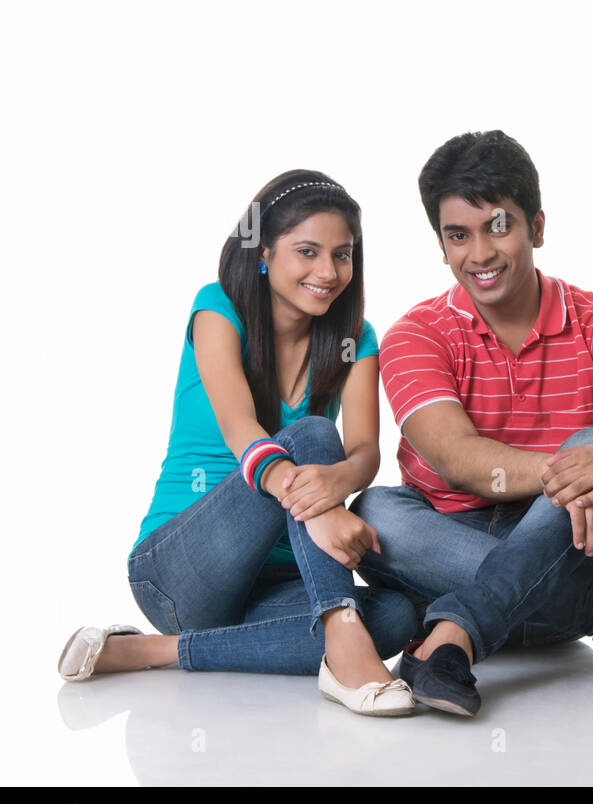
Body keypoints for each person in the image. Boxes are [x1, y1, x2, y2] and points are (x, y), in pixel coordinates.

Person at [58, 170, 418, 717]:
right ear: (264, 254)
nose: (328, 272)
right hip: (178, 571)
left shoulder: (354, 339)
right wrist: (316, 510)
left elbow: (365, 451)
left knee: (397, 615)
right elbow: (239, 427)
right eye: (307, 252)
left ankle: (156, 652)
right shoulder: (218, 309)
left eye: (342, 255)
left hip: (280, 580)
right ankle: (341, 639)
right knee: (314, 433)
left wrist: (331, 490)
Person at [352, 130, 593, 716]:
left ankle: (454, 634)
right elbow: (459, 461)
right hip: (464, 536)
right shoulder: (415, 335)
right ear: (441, 243)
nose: (479, 253)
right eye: (459, 235)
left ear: (537, 226)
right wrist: (586, 473)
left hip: (571, 539)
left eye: (498, 227)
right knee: (376, 514)